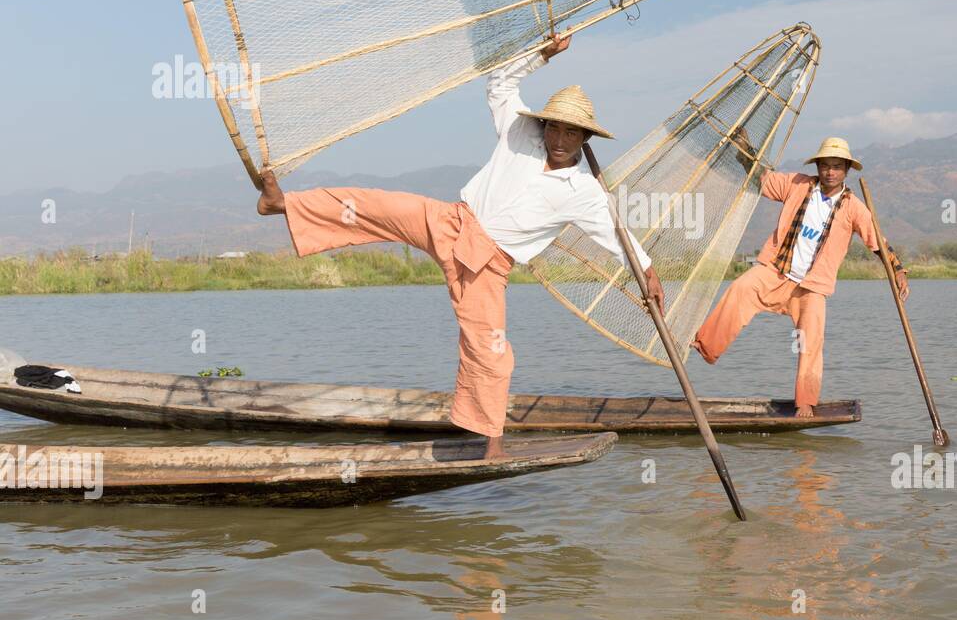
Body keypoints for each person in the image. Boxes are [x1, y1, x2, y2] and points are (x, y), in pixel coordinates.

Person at [256, 35, 665, 457]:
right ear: (545, 125)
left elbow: (619, 237)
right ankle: (281, 204)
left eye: (572, 132)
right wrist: (541, 55)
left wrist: (648, 275)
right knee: (373, 204)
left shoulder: (584, 192)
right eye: (555, 127)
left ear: (585, 139)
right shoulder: (522, 132)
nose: (560, 139)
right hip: (452, 222)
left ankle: (492, 444)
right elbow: (500, 83)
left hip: (486, 264)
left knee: (491, 349)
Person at [691, 136, 907, 417]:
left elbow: (877, 241)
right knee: (741, 288)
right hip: (776, 271)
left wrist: (898, 269)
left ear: (846, 171)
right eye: (825, 166)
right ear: (817, 167)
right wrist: (744, 150)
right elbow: (761, 176)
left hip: (811, 287)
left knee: (811, 340)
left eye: (837, 167)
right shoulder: (799, 185)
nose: (830, 172)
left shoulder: (854, 207)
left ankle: (805, 402)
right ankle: (706, 345)